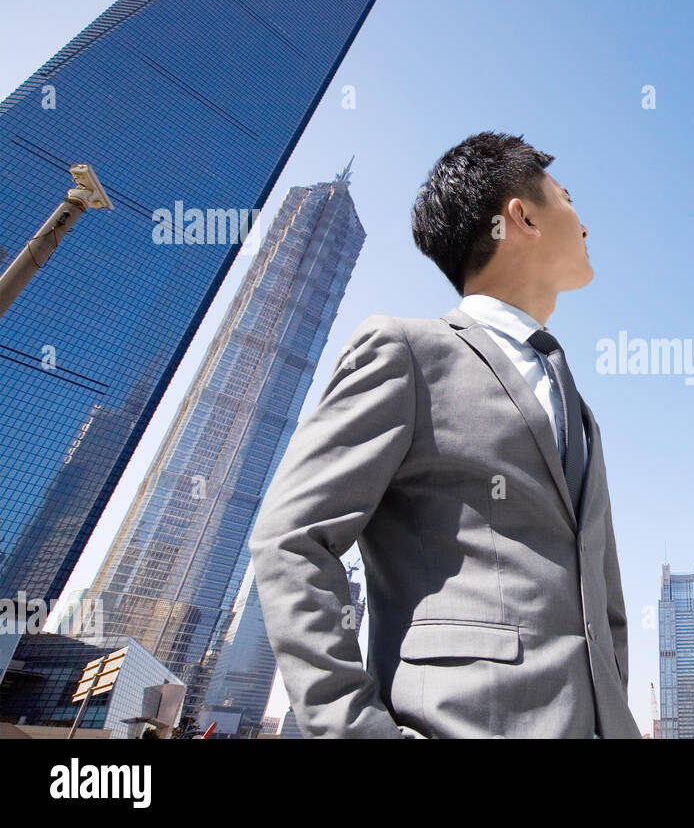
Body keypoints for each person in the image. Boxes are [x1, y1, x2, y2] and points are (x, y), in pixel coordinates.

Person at [248, 131, 640, 738]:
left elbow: (605, 604)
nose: (584, 224)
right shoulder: (406, 352)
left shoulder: (581, 412)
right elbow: (291, 540)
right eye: (568, 199)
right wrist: (357, 730)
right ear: (522, 217)